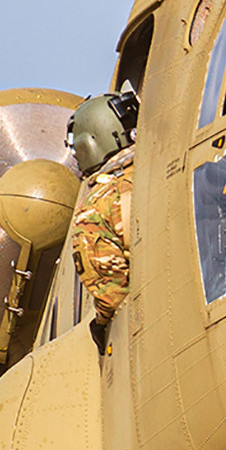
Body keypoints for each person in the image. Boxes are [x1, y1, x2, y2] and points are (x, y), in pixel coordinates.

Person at [66, 89, 138, 339]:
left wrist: (101, 323)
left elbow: (111, 294)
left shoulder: (97, 206)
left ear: (88, 144)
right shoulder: (161, 163)